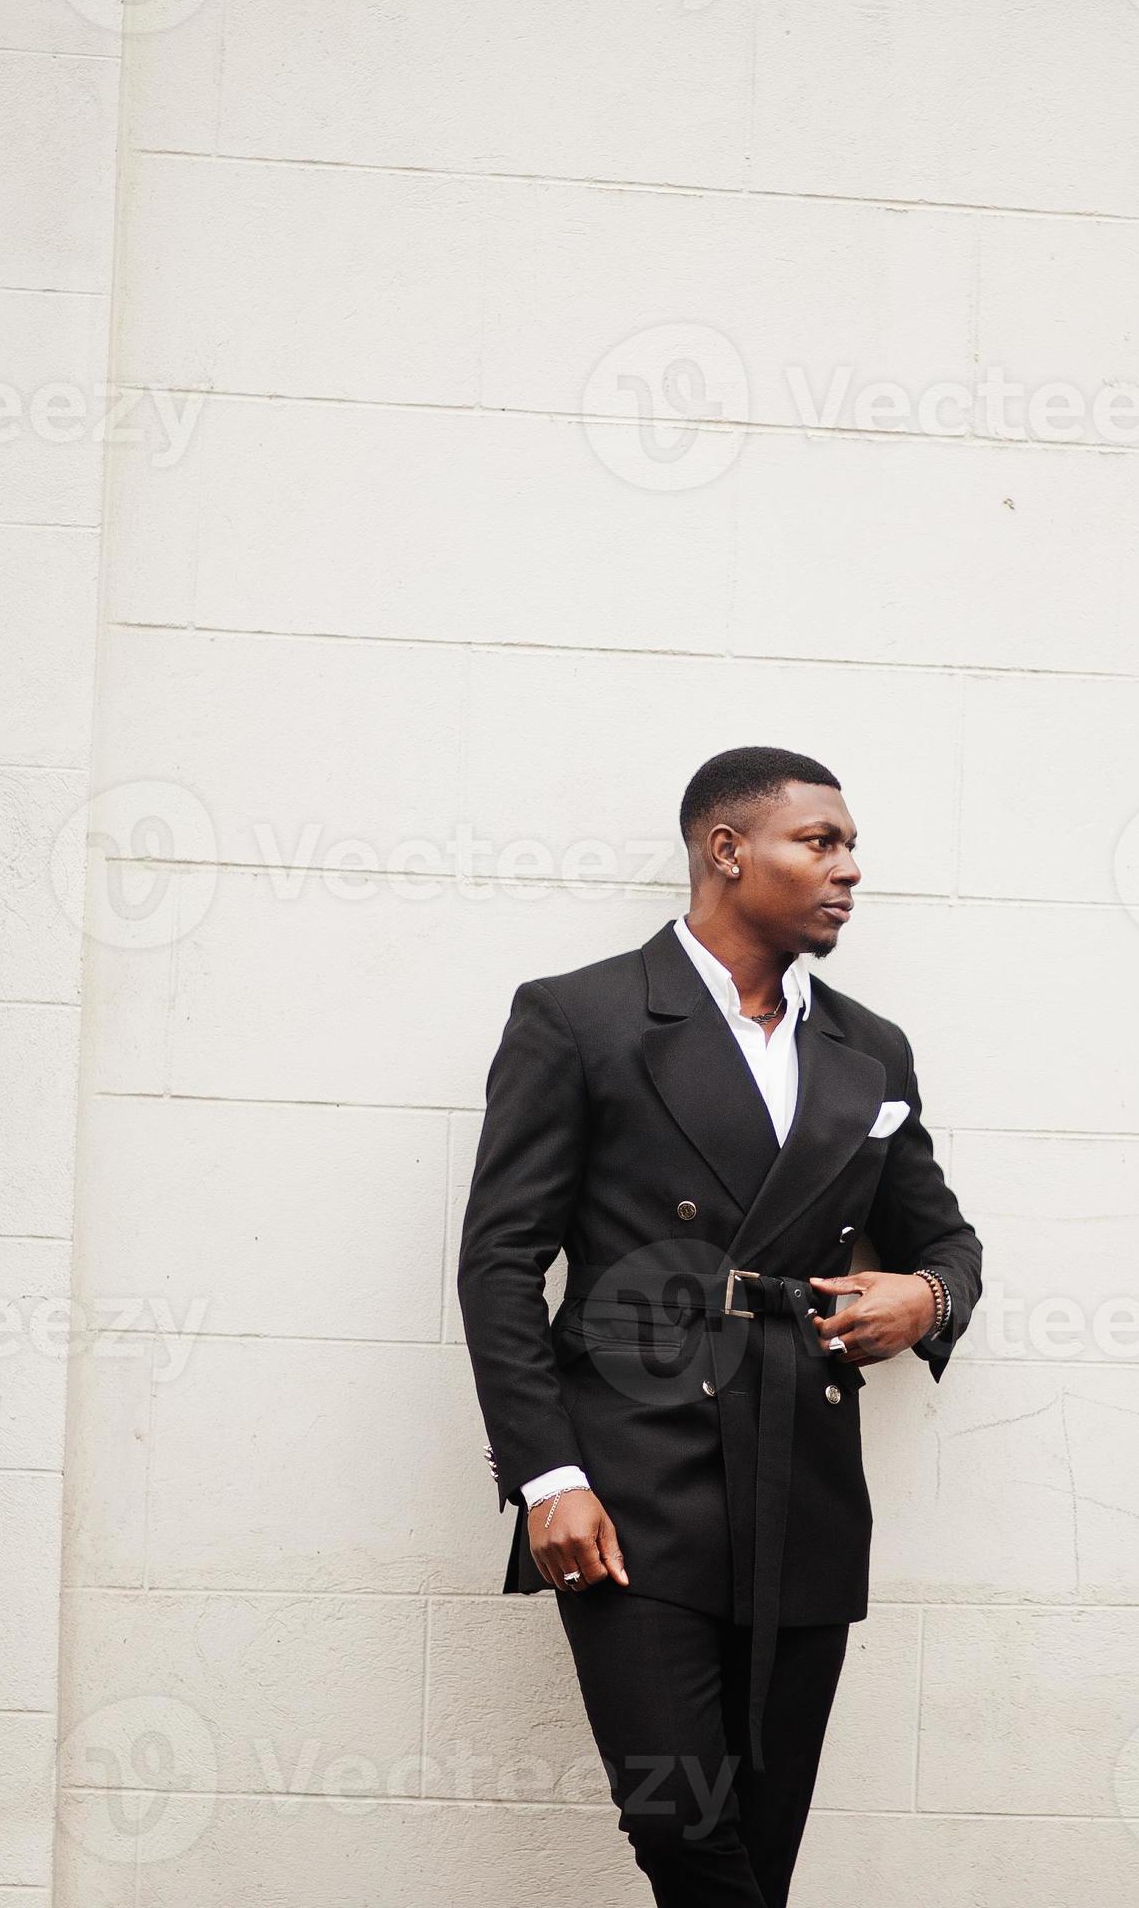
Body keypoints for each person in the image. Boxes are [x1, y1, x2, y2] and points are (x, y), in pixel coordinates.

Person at [457, 745, 982, 1907]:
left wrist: (926, 1298)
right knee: (678, 1820)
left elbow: (945, 1240)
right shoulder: (581, 1017)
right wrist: (548, 1476)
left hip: (802, 1474)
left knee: (760, 1833)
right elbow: (501, 1265)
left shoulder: (870, 1047)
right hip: (630, 1477)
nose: (848, 870)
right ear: (726, 850)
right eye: (821, 842)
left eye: (852, 848)